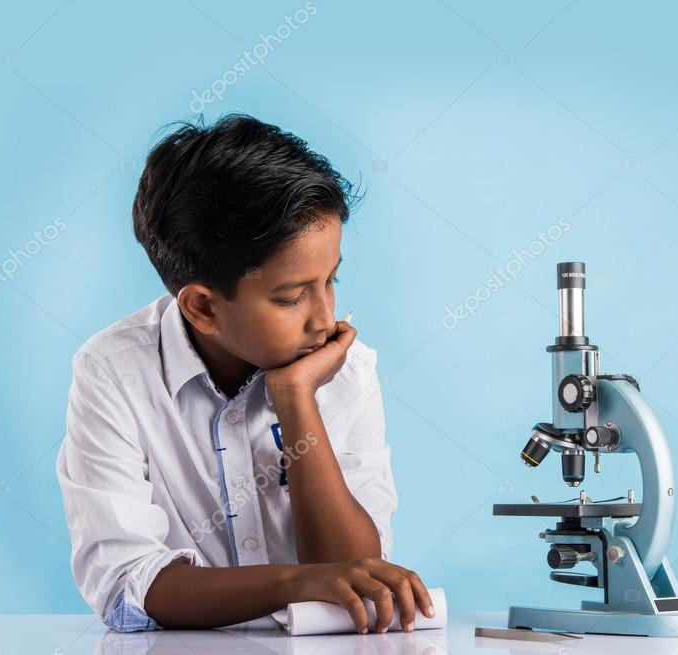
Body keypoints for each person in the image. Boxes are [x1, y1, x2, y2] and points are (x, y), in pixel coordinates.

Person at [56, 113, 432, 634]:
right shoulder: (114, 371)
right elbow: (126, 587)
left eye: (331, 279)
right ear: (204, 308)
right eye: (291, 296)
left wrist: (297, 398)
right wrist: (291, 583)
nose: (325, 318)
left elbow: (359, 576)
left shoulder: (345, 370)